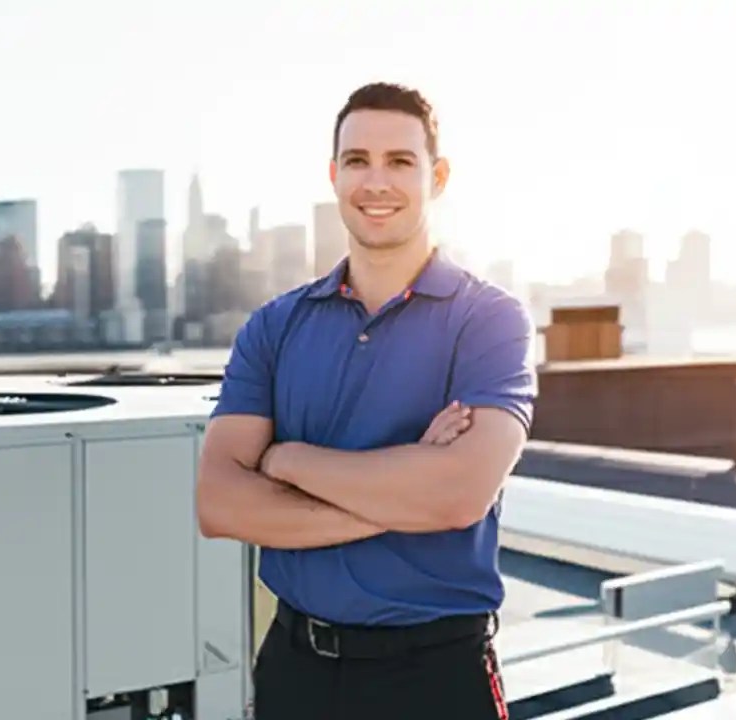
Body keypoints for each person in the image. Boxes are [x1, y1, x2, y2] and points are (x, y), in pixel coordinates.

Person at [196, 81, 538, 719]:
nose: (376, 182)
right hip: (296, 674)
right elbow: (218, 504)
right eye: (358, 161)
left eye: (400, 162)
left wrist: (288, 460)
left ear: (436, 176)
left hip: (436, 678)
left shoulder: (489, 321)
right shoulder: (275, 326)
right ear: (334, 175)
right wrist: (408, 493)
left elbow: (460, 494)